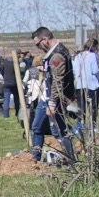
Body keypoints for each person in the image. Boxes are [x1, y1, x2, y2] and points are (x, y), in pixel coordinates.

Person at [27, 28, 75, 164]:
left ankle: (71, 159)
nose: (38, 47)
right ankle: (35, 157)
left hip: (54, 100)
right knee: (37, 127)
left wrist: (53, 103)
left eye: (38, 44)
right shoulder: (53, 54)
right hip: (46, 98)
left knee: (59, 130)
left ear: (45, 40)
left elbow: (58, 82)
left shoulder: (57, 55)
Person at [73, 39, 99, 133]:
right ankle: (94, 126)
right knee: (93, 107)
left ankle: (80, 126)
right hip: (92, 85)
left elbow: (75, 70)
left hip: (80, 85)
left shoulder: (78, 56)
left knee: (81, 108)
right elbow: (95, 70)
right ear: (94, 46)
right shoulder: (93, 56)